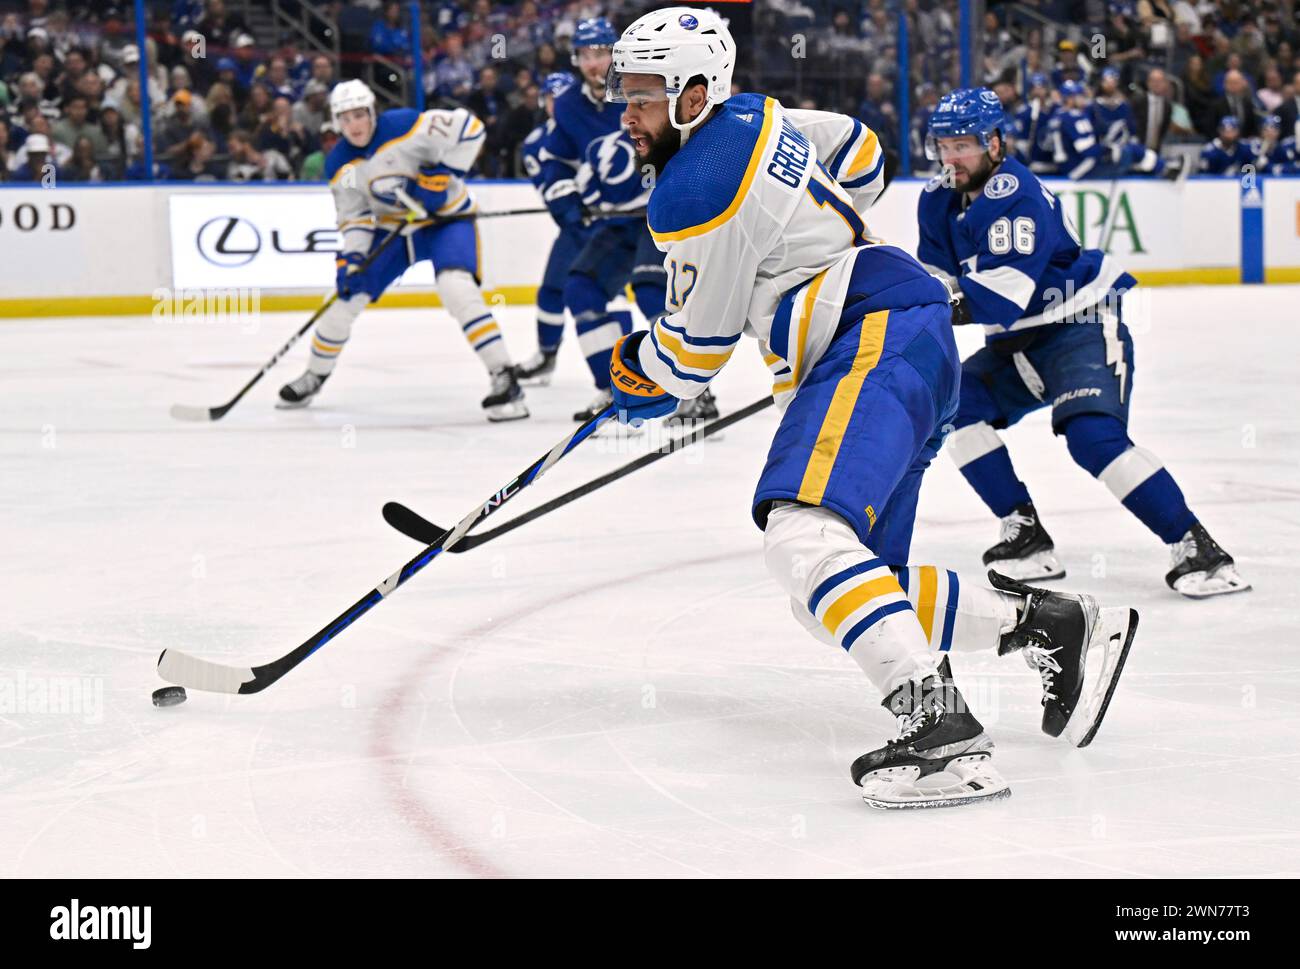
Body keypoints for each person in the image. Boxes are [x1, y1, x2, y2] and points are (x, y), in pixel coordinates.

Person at [606, 8, 1139, 808]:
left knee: (801, 536)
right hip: (900, 330)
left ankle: (944, 734)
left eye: (642, 95)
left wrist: (631, 374)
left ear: (691, 95)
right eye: (624, 93)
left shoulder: (694, 192)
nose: (626, 112)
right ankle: (1050, 623)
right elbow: (862, 154)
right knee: (846, 591)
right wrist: (796, 238)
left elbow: (692, 356)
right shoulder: (756, 114)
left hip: (871, 337)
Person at [918, 88, 1247, 600]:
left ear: (996, 143)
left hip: (1078, 326)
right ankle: (1024, 535)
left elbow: (1002, 296)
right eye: (944, 145)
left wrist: (924, 308)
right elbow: (937, 280)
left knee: (1093, 438)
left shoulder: (1014, 193)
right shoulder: (936, 197)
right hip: (1014, 344)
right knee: (952, 408)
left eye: (963, 145)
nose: (951, 157)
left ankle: (1197, 546)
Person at [277, 80, 528, 422]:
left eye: (360, 114)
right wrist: (351, 260)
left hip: (446, 220)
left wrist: (445, 172)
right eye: (346, 118)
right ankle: (315, 374)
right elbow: (355, 217)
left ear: (372, 112)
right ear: (336, 122)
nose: (355, 125)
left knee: (457, 288)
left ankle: (505, 377)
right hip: (395, 229)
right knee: (345, 300)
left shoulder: (406, 125)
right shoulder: (340, 164)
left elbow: (471, 128)